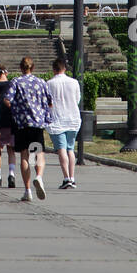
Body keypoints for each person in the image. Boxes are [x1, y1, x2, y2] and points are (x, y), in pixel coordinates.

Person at [5, 56, 53, 202]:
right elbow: (50, 101)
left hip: (22, 124)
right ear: (33, 68)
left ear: (21, 68)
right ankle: (39, 176)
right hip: (37, 124)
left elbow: (7, 99)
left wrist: (17, 110)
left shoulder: (16, 82)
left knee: (24, 156)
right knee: (38, 153)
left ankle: (27, 191)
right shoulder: (41, 82)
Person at [46, 55, 82, 189]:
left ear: (54, 70)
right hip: (73, 118)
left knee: (61, 149)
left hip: (57, 119)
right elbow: (77, 99)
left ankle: (66, 177)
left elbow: (48, 102)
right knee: (71, 149)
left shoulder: (49, 83)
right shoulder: (74, 82)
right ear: (65, 69)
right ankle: (72, 177)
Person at [0, 63, 17, 188]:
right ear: (6, 73)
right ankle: (11, 174)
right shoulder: (12, 84)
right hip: (11, 122)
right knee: (11, 149)